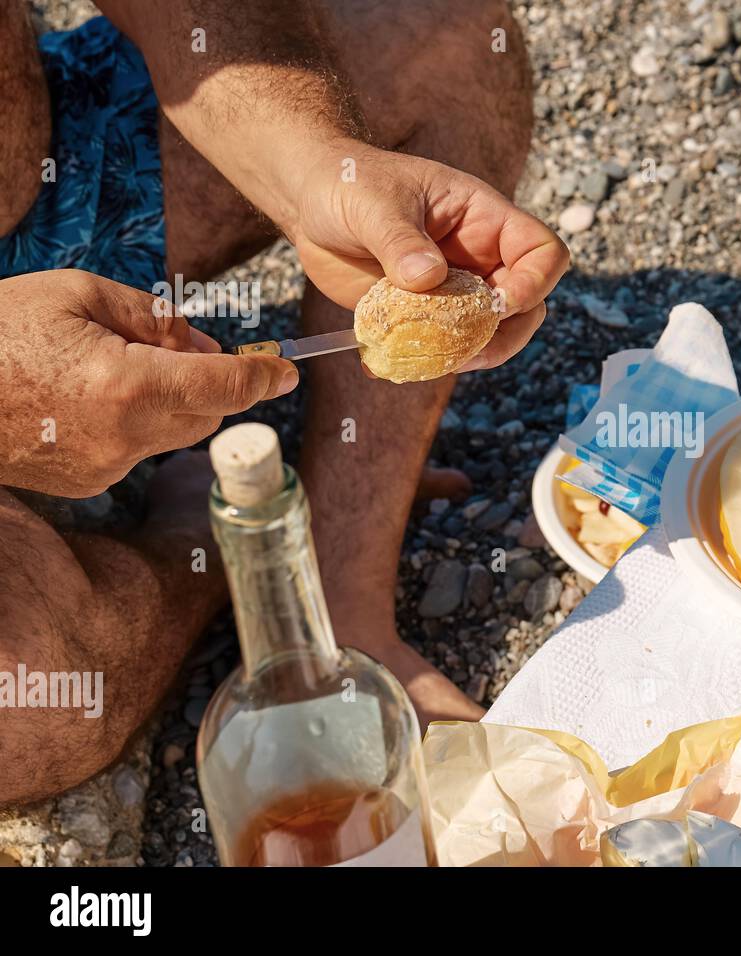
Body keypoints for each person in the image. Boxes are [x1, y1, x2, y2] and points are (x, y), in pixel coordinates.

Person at [0, 0, 568, 806]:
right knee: (34, 697)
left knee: (444, 30)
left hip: (60, 189)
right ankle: (204, 533)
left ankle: (345, 605)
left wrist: (314, 164)